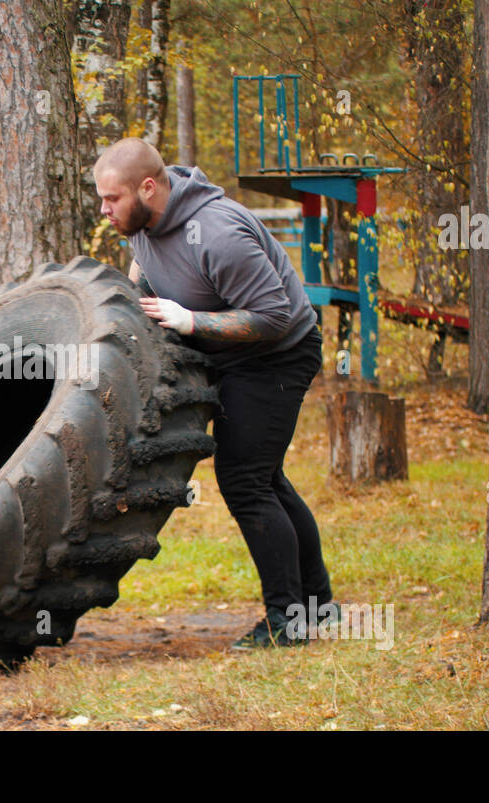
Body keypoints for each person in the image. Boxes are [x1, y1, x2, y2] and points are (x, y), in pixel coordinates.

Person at [92, 137, 335, 649]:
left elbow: (276, 317)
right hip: (226, 357)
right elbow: (146, 268)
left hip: (277, 356)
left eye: (111, 199)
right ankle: (318, 607)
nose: (104, 209)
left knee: (246, 481)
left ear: (148, 187)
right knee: (266, 479)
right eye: (102, 198)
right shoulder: (140, 222)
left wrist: (191, 319)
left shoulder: (219, 233)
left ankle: (288, 620)